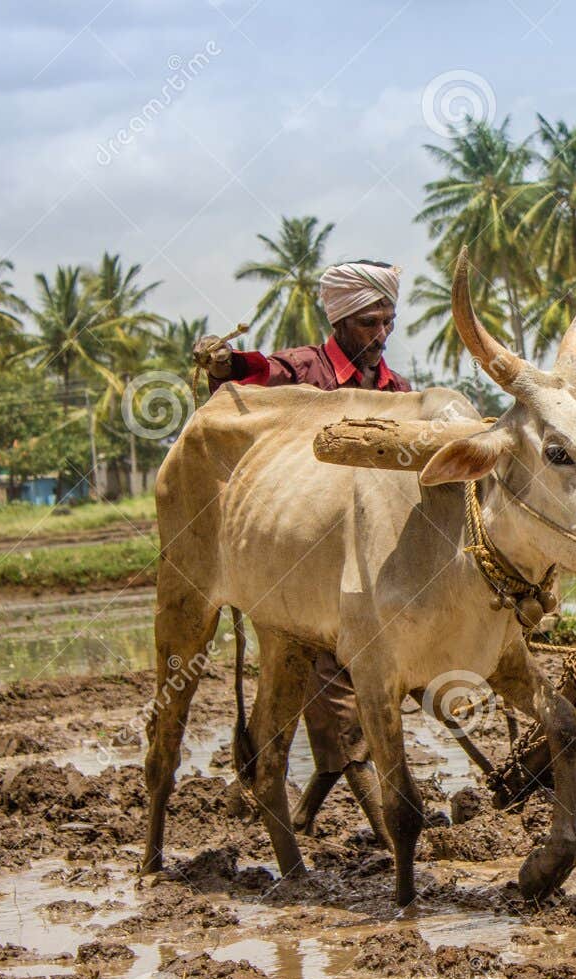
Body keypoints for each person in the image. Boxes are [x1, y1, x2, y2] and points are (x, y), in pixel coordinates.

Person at [192, 260, 408, 843]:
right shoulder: (305, 372)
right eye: (369, 323)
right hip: (309, 565)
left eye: (388, 322)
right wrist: (224, 363)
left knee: (376, 690)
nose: (381, 334)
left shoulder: (398, 394)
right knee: (344, 708)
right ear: (340, 322)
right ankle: (395, 840)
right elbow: (257, 371)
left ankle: (306, 811)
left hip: (381, 574)